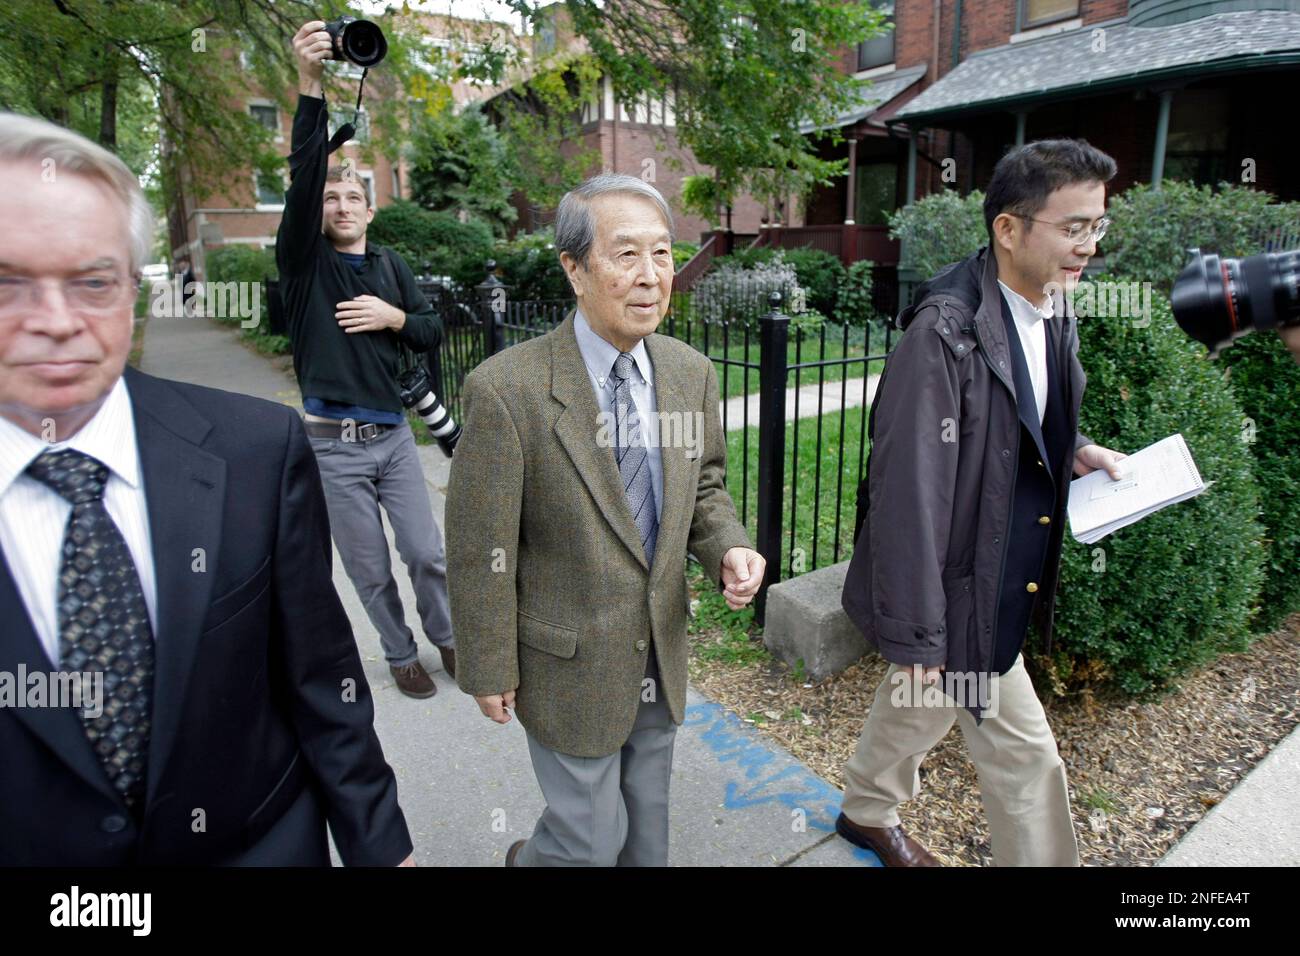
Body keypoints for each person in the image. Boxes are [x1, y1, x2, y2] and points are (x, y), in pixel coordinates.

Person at [0, 111, 413, 865]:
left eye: (92, 281)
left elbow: (319, 675)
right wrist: (312, 100)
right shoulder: (307, 256)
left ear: (133, 288)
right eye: (7, 282)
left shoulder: (253, 451)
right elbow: (300, 207)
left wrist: (381, 845)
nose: (54, 321)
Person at [444, 174, 765, 866]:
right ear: (574, 268)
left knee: (645, 839)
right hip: (565, 662)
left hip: (659, 649)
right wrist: (488, 661)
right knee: (589, 842)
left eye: (662, 255)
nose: (652, 278)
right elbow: (479, 546)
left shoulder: (689, 373)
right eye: (626, 256)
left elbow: (703, 485)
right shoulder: (508, 391)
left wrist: (728, 547)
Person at [838, 139, 1128, 867]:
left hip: (1002, 567)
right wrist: (917, 634)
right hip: (966, 589)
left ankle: (866, 811)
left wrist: (1076, 448)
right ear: (1009, 228)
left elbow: (1016, 418)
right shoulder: (943, 332)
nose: (1088, 247)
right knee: (1028, 761)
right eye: (1073, 228)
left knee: (923, 701)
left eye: (1097, 228)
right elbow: (908, 494)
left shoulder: (1047, 307)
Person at [278, 21, 454, 699]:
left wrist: (395, 317)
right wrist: (309, 83)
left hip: (392, 439)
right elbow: (303, 174)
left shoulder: (390, 264)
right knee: (370, 568)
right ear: (318, 212)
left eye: (354, 196)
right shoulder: (303, 265)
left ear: (371, 211)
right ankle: (401, 652)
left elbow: (434, 331)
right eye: (331, 197)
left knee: (426, 553)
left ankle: (445, 637)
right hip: (333, 446)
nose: (342, 203)